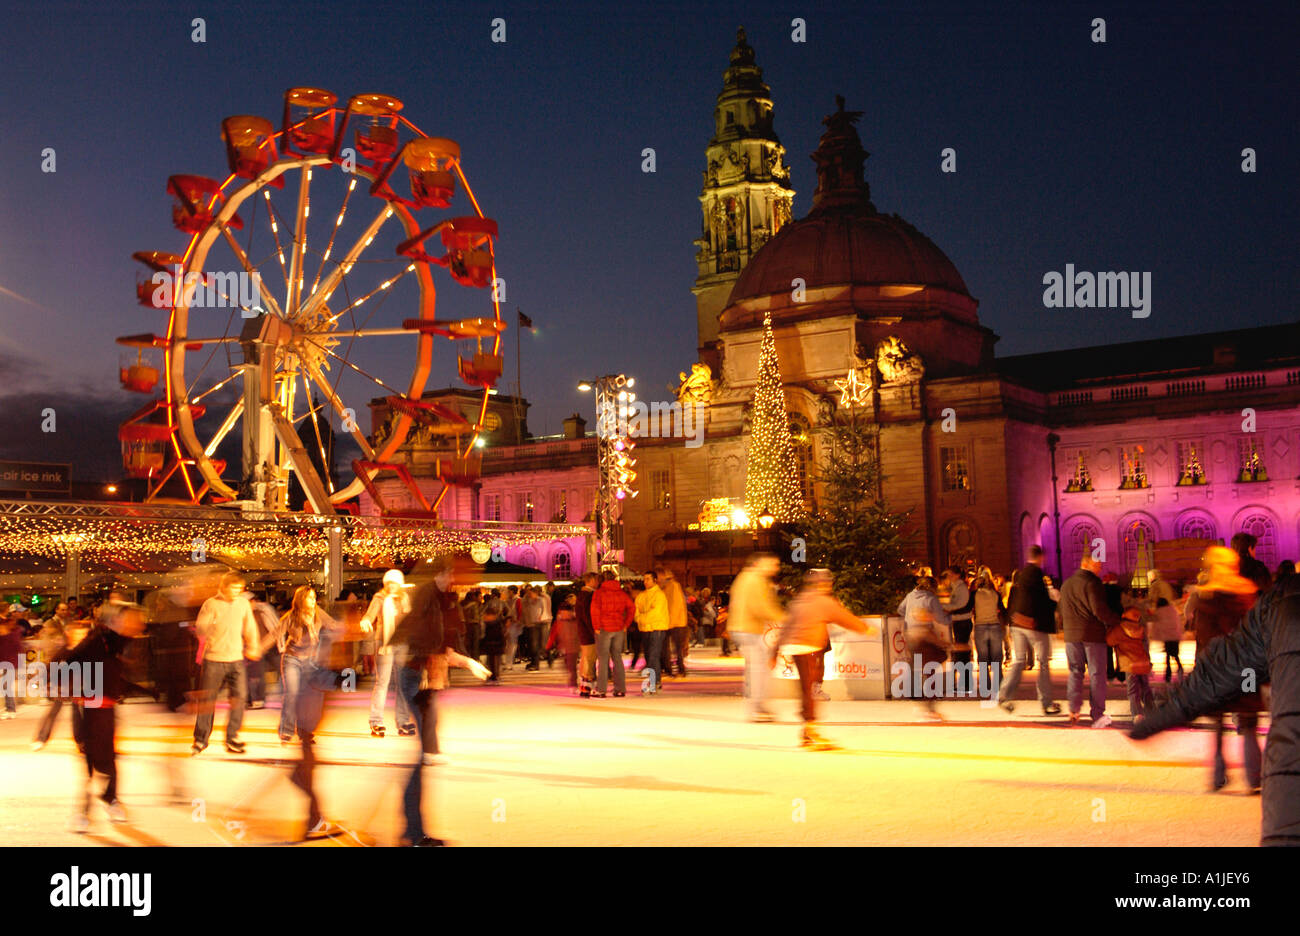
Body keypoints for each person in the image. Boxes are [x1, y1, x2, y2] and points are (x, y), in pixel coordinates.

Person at [1129, 564, 1300, 844]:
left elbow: (1222, 666)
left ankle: (1228, 774)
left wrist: (1160, 714)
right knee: (1243, 727)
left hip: (1289, 786)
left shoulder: (1281, 599)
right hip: (1246, 687)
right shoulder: (1256, 597)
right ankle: (1240, 775)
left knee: (1231, 727)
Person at [63, 595, 147, 832]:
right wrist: (69, 686)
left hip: (106, 709)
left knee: (108, 760)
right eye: (132, 620)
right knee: (91, 761)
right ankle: (84, 812)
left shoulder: (119, 642)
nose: (137, 625)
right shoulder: (97, 640)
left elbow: (117, 675)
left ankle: (110, 800)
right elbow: (69, 661)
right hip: (87, 709)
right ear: (117, 621)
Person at [385, 563, 453, 846]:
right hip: (414, 675)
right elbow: (415, 627)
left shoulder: (435, 598)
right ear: (440, 574)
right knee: (417, 759)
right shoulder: (427, 595)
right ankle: (413, 833)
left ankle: (412, 831)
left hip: (418, 673)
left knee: (420, 755)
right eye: (450, 575)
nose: (452, 580)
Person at [1192, 546, 1261, 792]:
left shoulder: (1203, 597)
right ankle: (1254, 777)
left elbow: (1202, 638)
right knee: (1249, 722)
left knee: (1218, 723)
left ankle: (1217, 777)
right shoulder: (1246, 593)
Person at [780, 569, 869, 748]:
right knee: (811, 688)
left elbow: (787, 626)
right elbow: (843, 617)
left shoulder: (799, 600)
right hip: (809, 648)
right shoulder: (822, 601)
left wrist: (774, 651)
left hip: (796, 648)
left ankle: (807, 730)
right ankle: (810, 730)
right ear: (822, 583)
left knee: (807, 688)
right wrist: (864, 628)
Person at [418, 579, 491, 764]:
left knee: (430, 712)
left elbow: (447, 655)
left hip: (431, 675)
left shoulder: (440, 625)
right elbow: (433, 651)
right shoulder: (431, 623)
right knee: (429, 711)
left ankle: (429, 751)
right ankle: (428, 752)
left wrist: (470, 663)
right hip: (424, 675)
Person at [192, 572, 261, 755]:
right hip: (214, 659)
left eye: (239, 588)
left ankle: (232, 736)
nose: (237, 592)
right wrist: (206, 625)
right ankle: (201, 738)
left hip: (236, 659)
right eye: (233, 588)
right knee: (207, 700)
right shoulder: (211, 604)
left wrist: (253, 646)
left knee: (239, 698)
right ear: (224, 587)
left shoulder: (243, 604)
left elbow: (250, 627)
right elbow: (200, 628)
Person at [997, 545, 1061, 716]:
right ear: (1040, 557)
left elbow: (1017, 599)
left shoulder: (1021, 574)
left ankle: (1004, 695)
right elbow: (1040, 600)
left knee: (1019, 660)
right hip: (1032, 624)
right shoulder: (1036, 573)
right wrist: (1056, 604)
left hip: (1017, 622)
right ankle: (1046, 703)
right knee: (1043, 663)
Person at [1058, 557, 1122, 728]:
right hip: (1092, 636)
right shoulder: (1092, 584)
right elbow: (1099, 610)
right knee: (1097, 674)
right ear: (1086, 565)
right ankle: (1097, 714)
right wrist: (1117, 620)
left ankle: (1074, 710)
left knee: (1075, 672)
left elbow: (1061, 610)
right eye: (1097, 566)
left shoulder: (1067, 584)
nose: (1099, 569)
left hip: (1072, 636)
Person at [270, 586, 332, 744]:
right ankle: (286, 730)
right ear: (301, 599)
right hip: (292, 659)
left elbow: (332, 624)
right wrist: (261, 647)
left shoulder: (318, 614)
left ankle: (305, 731)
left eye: (314, 597)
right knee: (292, 693)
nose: (313, 600)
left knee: (308, 699)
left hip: (310, 661)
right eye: (309, 597)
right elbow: (276, 633)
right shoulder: (291, 616)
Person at [726, 554, 785, 721]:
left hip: (742, 627)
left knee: (757, 667)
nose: (776, 568)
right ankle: (757, 707)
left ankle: (757, 705)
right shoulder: (756, 580)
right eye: (773, 564)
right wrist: (783, 618)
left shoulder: (745, 577)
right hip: (748, 628)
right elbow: (760, 606)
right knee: (759, 668)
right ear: (760, 563)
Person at [360, 570, 415, 738]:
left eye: (395, 583)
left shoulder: (405, 599)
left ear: (399, 585)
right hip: (384, 644)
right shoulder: (380, 598)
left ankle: (403, 721)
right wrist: (366, 621)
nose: (391, 586)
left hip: (402, 644)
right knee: (382, 681)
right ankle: (376, 721)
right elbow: (370, 614)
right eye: (389, 583)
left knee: (403, 683)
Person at [897, 575, 952, 719]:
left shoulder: (910, 595)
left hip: (910, 635)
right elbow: (941, 618)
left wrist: (909, 617)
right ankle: (928, 706)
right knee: (932, 667)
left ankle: (915, 695)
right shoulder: (931, 598)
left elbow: (900, 609)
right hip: (924, 636)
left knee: (918, 665)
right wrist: (950, 618)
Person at [590, 570, 634, 697]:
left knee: (603, 659)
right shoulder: (621, 593)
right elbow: (632, 608)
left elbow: (595, 611)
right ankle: (620, 689)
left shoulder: (599, 593)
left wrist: (596, 626)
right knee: (617, 658)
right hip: (619, 628)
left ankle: (601, 689)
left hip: (604, 628)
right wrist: (626, 624)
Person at [1107, 607, 1153, 718]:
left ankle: (1137, 714)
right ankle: (1152, 711)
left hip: (1130, 665)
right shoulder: (1141, 629)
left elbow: (1109, 641)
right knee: (1145, 688)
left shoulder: (1119, 630)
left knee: (1133, 691)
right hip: (1143, 664)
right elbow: (1145, 646)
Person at [634, 571, 670, 694]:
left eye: (648, 579)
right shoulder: (642, 596)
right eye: (644, 579)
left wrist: (641, 618)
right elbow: (636, 610)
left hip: (657, 628)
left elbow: (656, 613)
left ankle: (653, 683)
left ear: (655, 580)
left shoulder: (659, 595)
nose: (645, 582)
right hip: (645, 629)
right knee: (649, 656)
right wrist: (640, 618)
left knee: (654, 656)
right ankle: (657, 681)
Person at [971, 567, 1005, 695]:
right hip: (994, 625)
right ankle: (999, 684)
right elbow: (1001, 609)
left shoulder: (975, 594)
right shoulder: (996, 594)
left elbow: (969, 606)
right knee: (997, 657)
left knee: (983, 658)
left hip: (980, 626)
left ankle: (986, 686)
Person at [1146, 568, 1183, 682]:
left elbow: (1151, 599)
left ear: (1152, 577)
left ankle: (1168, 674)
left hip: (1167, 635)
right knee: (1174, 654)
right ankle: (1178, 669)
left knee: (1168, 654)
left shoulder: (1155, 587)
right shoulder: (1166, 586)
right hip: (1175, 635)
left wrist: (1153, 634)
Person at [943, 566, 975, 695]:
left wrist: (945, 607)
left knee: (962, 653)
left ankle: (965, 683)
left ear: (956, 575)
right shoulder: (956, 588)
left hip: (962, 622)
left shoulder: (961, 588)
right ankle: (964, 683)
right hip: (959, 622)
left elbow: (959, 605)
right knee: (961, 653)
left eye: (950, 574)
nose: (948, 577)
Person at [547, 593, 583, 692]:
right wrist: (549, 645)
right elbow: (554, 633)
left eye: (564, 612)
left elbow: (580, 633)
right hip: (563, 647)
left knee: (571, 667)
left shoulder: (575, 621)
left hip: (573, 646)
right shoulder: (559, 621)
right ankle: (574, 681)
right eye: (561, 612)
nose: (562, 614)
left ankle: (573, 684)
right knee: (566, 666)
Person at [658, 566, 689, 678]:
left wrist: (668, 621)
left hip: (674, 622)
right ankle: (669, 669)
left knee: (676, 647)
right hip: (671, 622)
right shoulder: (665, 587)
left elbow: (674, 606)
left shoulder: (673, 586)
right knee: (669, 647)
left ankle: (679, 669)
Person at [575, 573, 598, 697]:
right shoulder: (588, 596)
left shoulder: (582, 595)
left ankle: (586, 684)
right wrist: (593, 630)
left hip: (583, 631)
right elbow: (587, 616)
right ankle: (586, 685)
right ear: (591, 580)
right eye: (596, 580)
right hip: (588, 632)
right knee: (589, 659)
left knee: (587, 658)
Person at [480, 589, 507, 684]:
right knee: (492, 662)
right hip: (493, 645)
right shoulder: (494, 623)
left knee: (494, 662)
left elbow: (498, 635)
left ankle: (494, 677)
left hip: (494, 645)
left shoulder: (494, 624)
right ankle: (494, 677)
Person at [521, 585, 546, 671]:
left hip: (535, 624)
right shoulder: (525, 600)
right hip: (528, 624)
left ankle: (536, 664)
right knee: (530, 645)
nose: (530, 594)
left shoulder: (539, 600)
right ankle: (533, 662)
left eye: (531, 593)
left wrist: (540, 617)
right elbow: (524, 610)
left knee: (534, 645)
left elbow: (542, 610)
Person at [461, 589, 483, 663]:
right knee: (475, 643)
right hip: (474, 625)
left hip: (466, 625)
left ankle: (467, 657)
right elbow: (476, 617)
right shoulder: (474, 605)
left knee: (467, 643)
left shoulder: (462, 604)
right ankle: (475, 658)